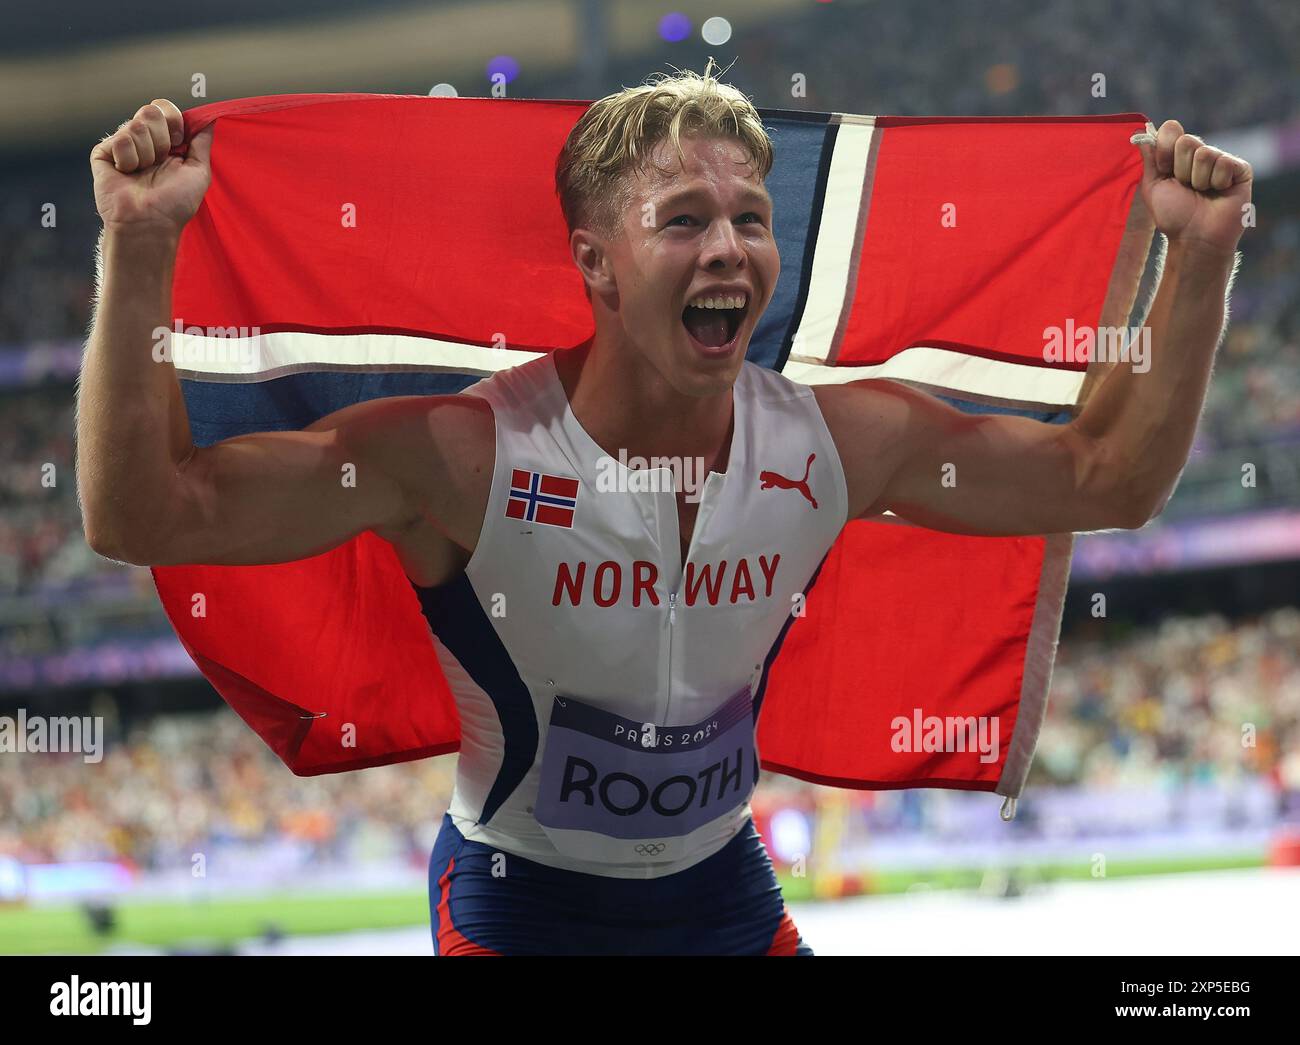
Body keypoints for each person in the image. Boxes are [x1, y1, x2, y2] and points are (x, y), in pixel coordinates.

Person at [78, 63, 1251, 955]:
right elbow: (149, 515)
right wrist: (139, 243)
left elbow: (1110, 479)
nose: (729, 247)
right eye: (683, 219)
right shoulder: (460, 457)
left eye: (749, 218)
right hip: (520, 903)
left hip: (719, 890)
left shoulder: (841, 441)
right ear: (594, 261)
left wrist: (1197, 257)